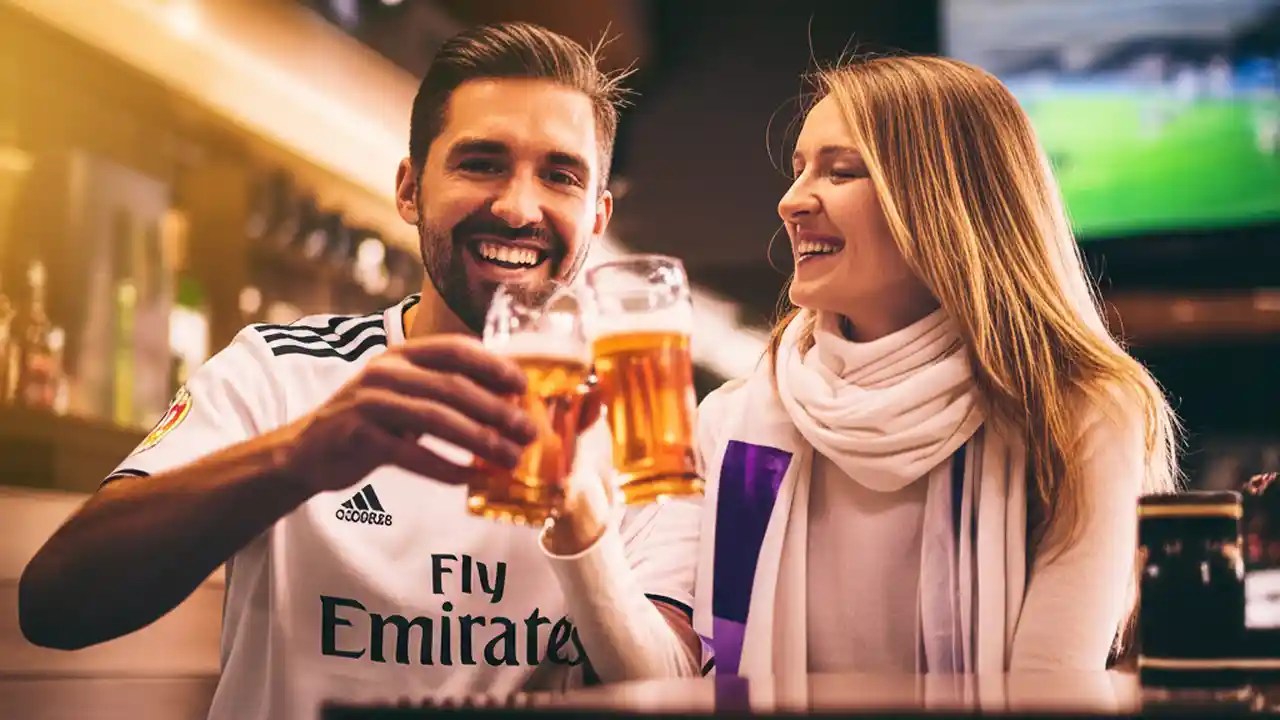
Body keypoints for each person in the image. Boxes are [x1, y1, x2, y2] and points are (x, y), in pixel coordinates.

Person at [18, 22, 700, 719]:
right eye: (481, 163)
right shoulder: (278, 372)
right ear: (409, 190)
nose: (518, 207)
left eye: (559, 175)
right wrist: (298, 457)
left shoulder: (644, 430)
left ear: (596, 216)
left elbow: (677, 687)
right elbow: (57, 605)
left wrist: (582, 519)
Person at [688, 55, 1180, 678]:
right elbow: (690, 667)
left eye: (840, 172)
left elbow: (1049, 691)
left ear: (944, 201)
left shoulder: (1081, 411)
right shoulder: (733, 421)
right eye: (797, 171)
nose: (791, 202)